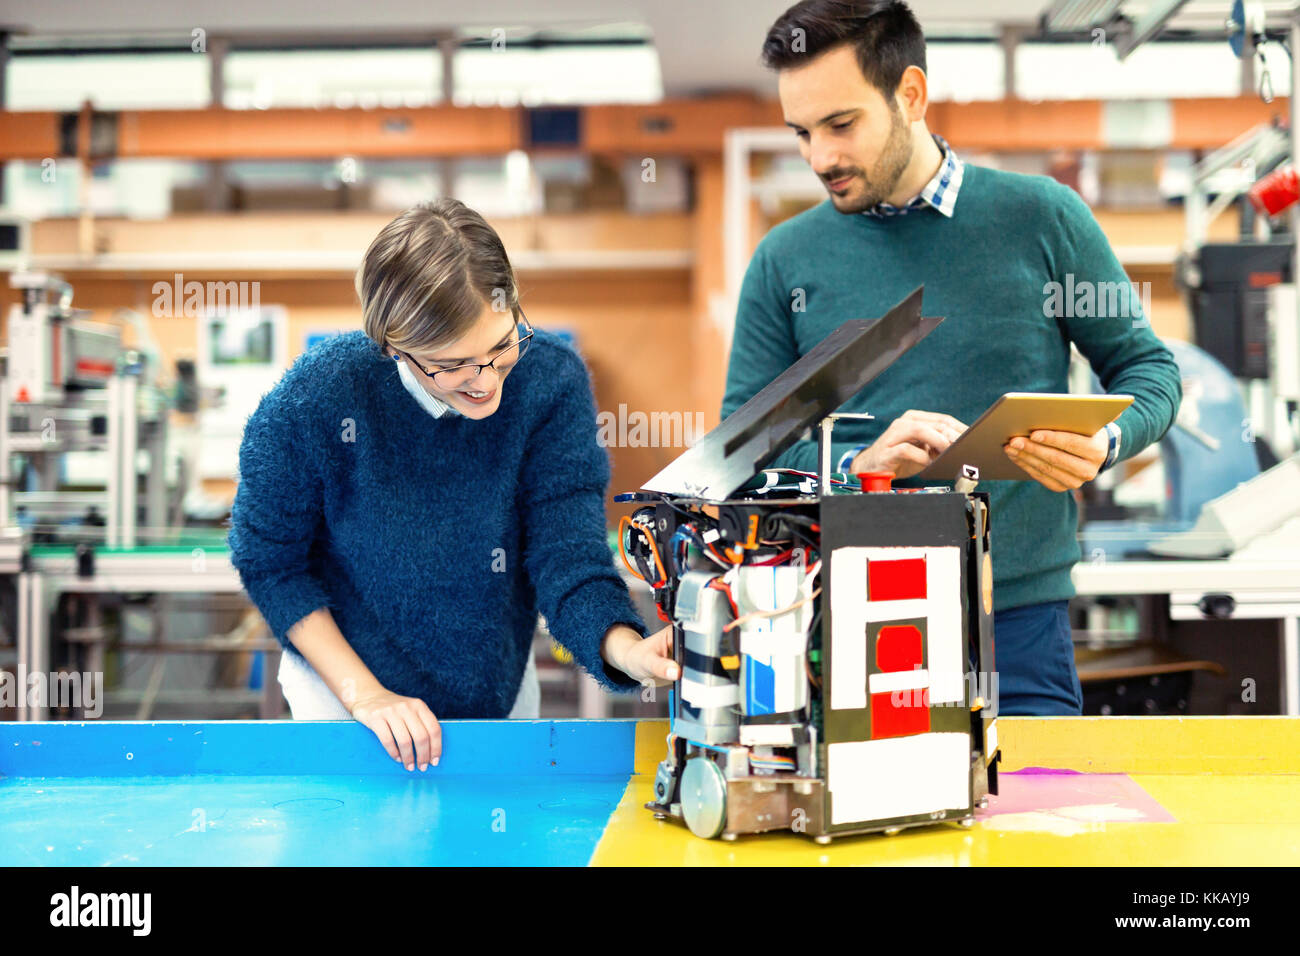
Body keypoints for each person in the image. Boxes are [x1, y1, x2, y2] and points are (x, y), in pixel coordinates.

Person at [723, 0, 1181, 715]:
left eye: (840, 125)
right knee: (871, 822)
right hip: (849, 620)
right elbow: (738, 461)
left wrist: (1106, 440)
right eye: (801, 133)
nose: (819, 158)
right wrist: (855, 470)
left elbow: (1149, 369)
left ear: (910, 94)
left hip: (1015, 621)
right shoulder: (784, 261)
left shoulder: (1042, 218)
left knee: (1035, 819)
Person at [228, 198, 677, 771]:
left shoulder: (550, 381)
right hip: (346, 706)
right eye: (453, 364)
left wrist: (626, 648)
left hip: (497, 700)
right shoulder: (315, 399)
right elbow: (271, 564)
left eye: (500, 347)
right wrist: (367, 696)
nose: (486, 381)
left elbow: (567, 556)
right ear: (394, 344)